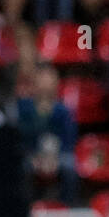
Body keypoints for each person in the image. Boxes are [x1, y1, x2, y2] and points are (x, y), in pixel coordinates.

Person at [17, 62, 78, 204]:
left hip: (58, 155)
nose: (45, 84)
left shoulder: (64, 110)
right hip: (31, 155)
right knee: (21, 167)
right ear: (34, 82)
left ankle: (67, 208)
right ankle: (26, 210)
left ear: (56, 82)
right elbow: (20, 137)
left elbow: (69, 140)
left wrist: (54, 158)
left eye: (49, 79)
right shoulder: (23, 107)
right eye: (42, 79)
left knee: (70, 166)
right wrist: (35, 157)